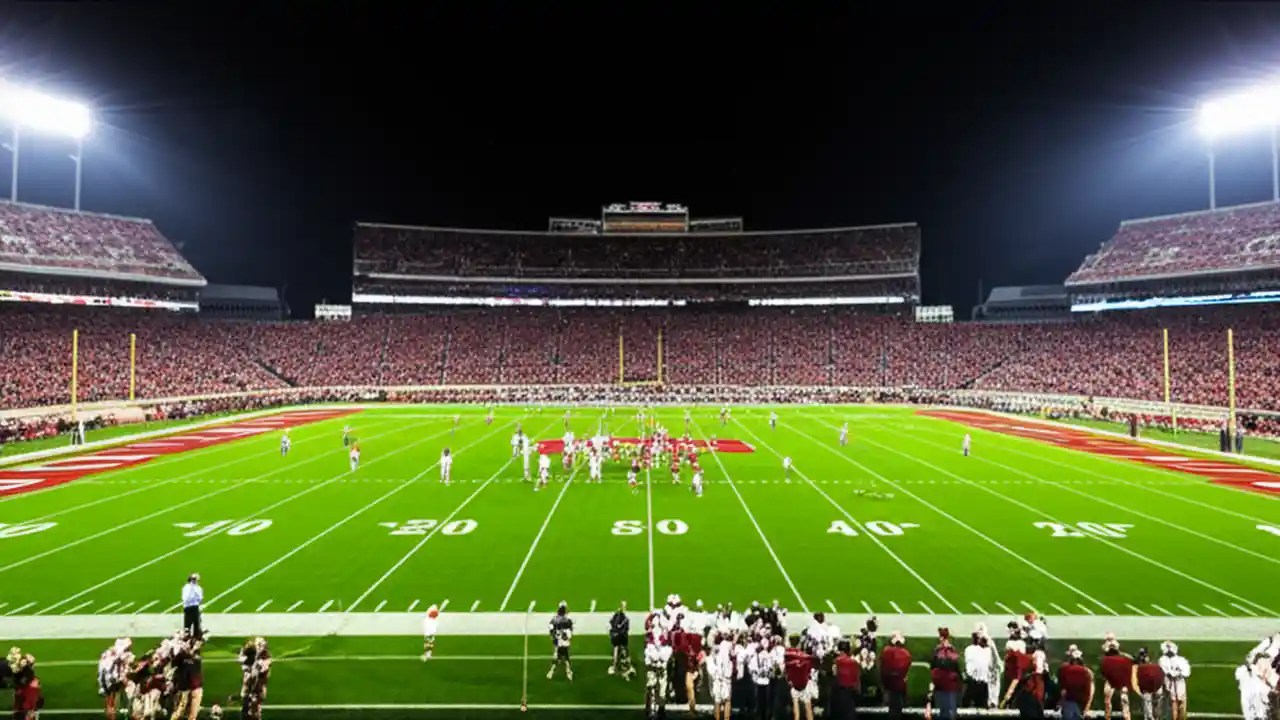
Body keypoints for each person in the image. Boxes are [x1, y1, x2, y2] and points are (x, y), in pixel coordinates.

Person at [929, 628, 962, 720]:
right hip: (950, 686)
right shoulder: (952, 651)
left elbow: (932, 667)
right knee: (950, 711)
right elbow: (957, 669)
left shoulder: (937, 651)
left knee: (943, 711)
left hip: (940, 686)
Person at [1100, 633, 1135, 720]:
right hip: (1110, 678)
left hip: (1120, 678)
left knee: (1124, 699)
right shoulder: (1106, 651)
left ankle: (1126, 717)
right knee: (1108, 701)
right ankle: (1108, 717)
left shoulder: (1120, 653)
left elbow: (1131, 659)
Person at [963, 624, 996, 709]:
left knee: (971, 706)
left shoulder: (971, 649)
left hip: (977, 683)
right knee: (971, 707)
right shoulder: (972, 649)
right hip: (977, 683)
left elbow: (992, 665)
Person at [1057, 644, 1094, 720]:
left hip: (1069, 700)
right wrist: (1086, 708)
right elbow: (1090, 691)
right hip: (1080, 701)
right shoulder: (1087, 671)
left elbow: (1062, 688)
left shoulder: (1064, 668)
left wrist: (1060, 702)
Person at [880, 632, 911, 720]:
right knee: (897, 707)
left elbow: (883, 668)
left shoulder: (886, 651)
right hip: (900, 684)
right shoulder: (906, 653)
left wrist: (883, 682)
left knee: (892, 707)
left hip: (889, 684)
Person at [784, 635, 816, 720]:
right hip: (805, 683)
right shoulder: (805, 656)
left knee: (796, 710)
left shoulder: (787, 655)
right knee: (808, 709)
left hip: (794, 685)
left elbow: (786, 670)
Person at [1158, 641, 1191, 720]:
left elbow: (1186, 672)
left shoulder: (1164, 660)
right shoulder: (1164, 660)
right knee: (1175, 704)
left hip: (1175, 683)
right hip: (1173, 683)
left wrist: (1175, 673)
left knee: (1178, 704)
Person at [831, 639, 860, 720]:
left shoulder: (836, 661)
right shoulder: (853, 662)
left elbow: (834, 674)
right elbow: (856, 677)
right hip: (850, 692)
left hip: (838, 691)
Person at [1133, 647, 1165, 720]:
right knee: (1149, 701)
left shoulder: (1142, 664)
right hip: (1149, 685)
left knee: (1149, 701)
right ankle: (1152, 717)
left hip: (1150, 685)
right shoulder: (1142, 663)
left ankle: (1153, 717)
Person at [548, 602, 574, 681]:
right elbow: (570, 631)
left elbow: (551, 629)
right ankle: (568, 671)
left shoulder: (554, 620)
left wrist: (554, 637)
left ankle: (552, 671)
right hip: (565, 641)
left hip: (558, 641)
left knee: (556, 656)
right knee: (566, 656)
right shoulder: (568, 620)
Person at [608, 602, 634, 680]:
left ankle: (615, 666)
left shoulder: (617, 616)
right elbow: (626, 629)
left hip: (616, 636)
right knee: (624, 651)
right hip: (622, 636)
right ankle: (627, 667)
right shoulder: (625, 618)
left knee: (617, 650)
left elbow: (611, 623)